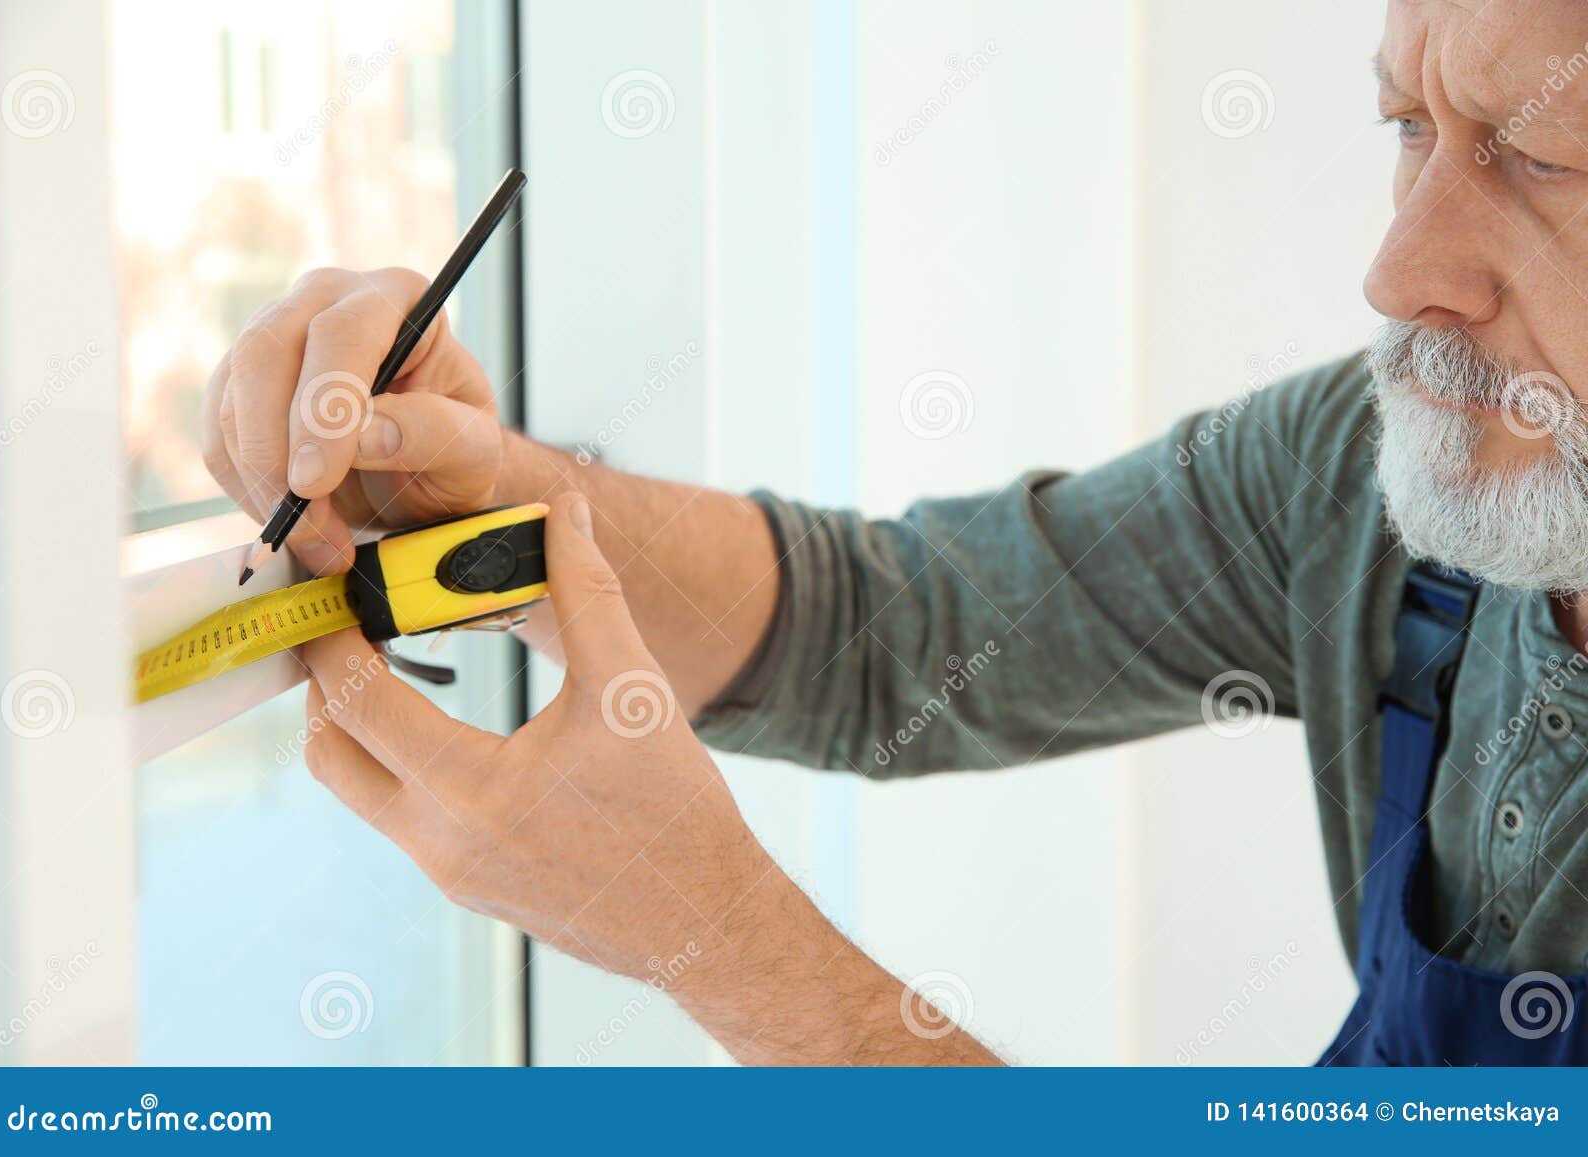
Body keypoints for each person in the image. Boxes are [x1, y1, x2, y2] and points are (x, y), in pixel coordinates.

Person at [202, 0, 1588, 1065]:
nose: (1398, 269)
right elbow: (893, 630)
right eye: (1407, 126)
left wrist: (717, 936)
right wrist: (492, 498)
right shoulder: (1376, 466)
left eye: (1537, 157)